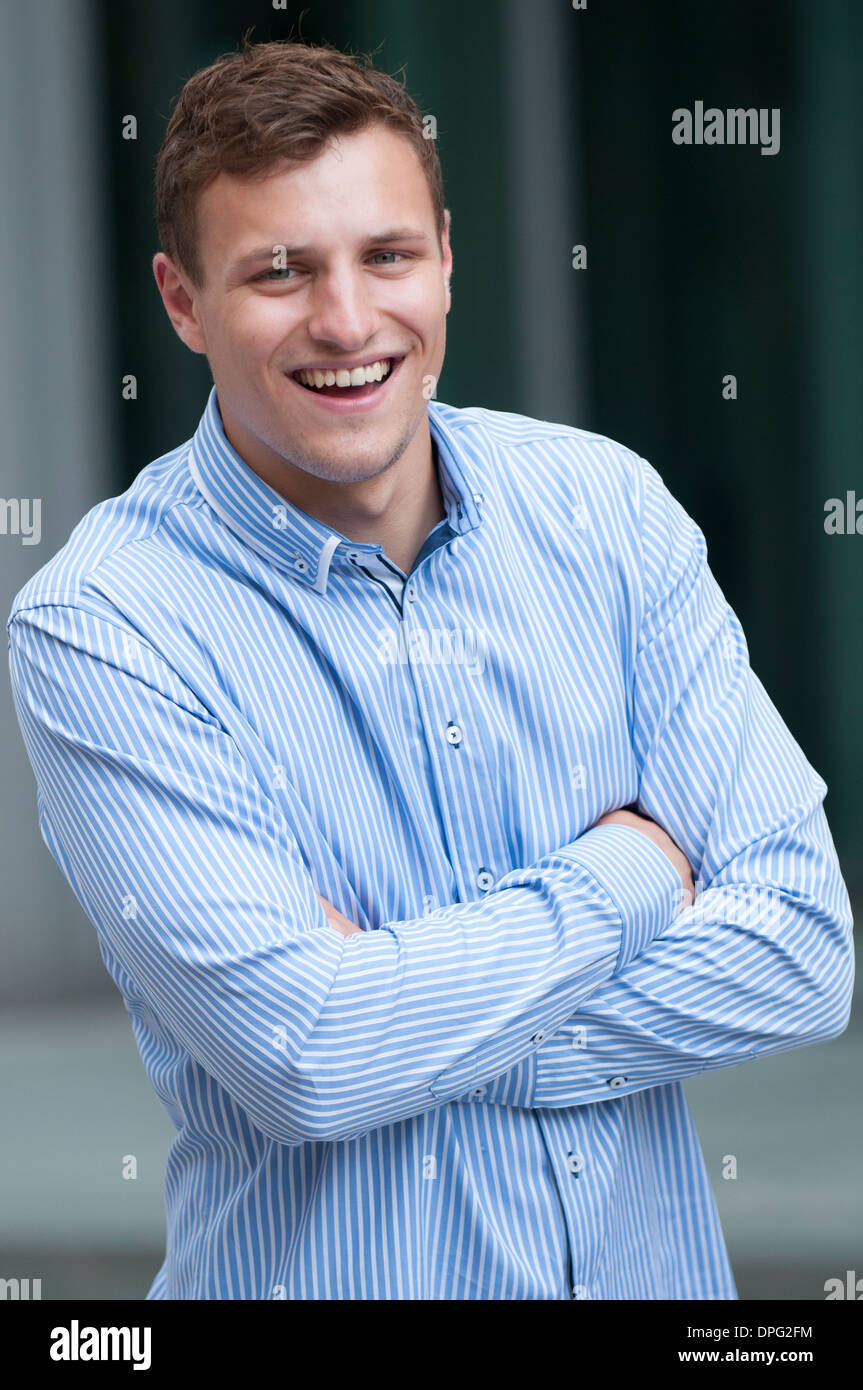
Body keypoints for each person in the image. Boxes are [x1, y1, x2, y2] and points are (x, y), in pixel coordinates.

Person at [6, 37, 853, 1301]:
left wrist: (396, 1005)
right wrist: (632, 869)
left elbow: (800, 950)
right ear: (180, 302)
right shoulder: (105, 624)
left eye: (385, 255)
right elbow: (305, 1057)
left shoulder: (604, 512)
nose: (347, 321)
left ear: (446, 256)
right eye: (278, 272)